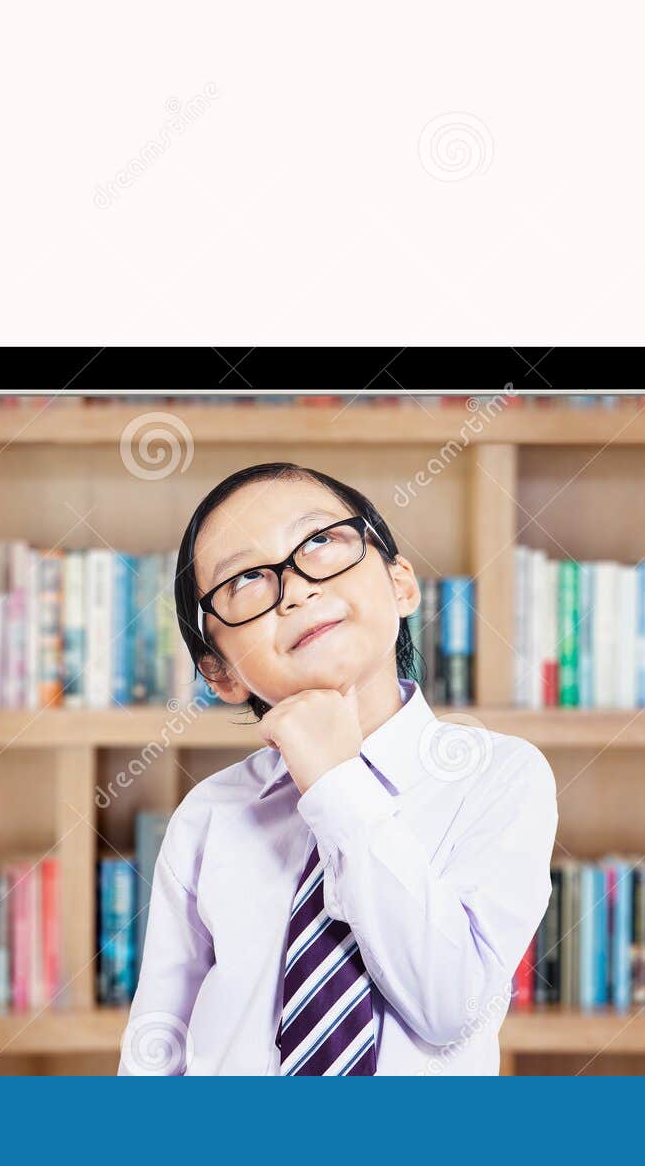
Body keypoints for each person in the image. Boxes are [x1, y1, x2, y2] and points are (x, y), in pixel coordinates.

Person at [118, 461, 556, 1076]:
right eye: (246, 578)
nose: (295, 588)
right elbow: (157, 1041)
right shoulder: (212, 813)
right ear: (219, 670)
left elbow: (449, 1007)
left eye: (321, 541)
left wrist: (336, 783)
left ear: (401, 584)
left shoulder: (502, 776)